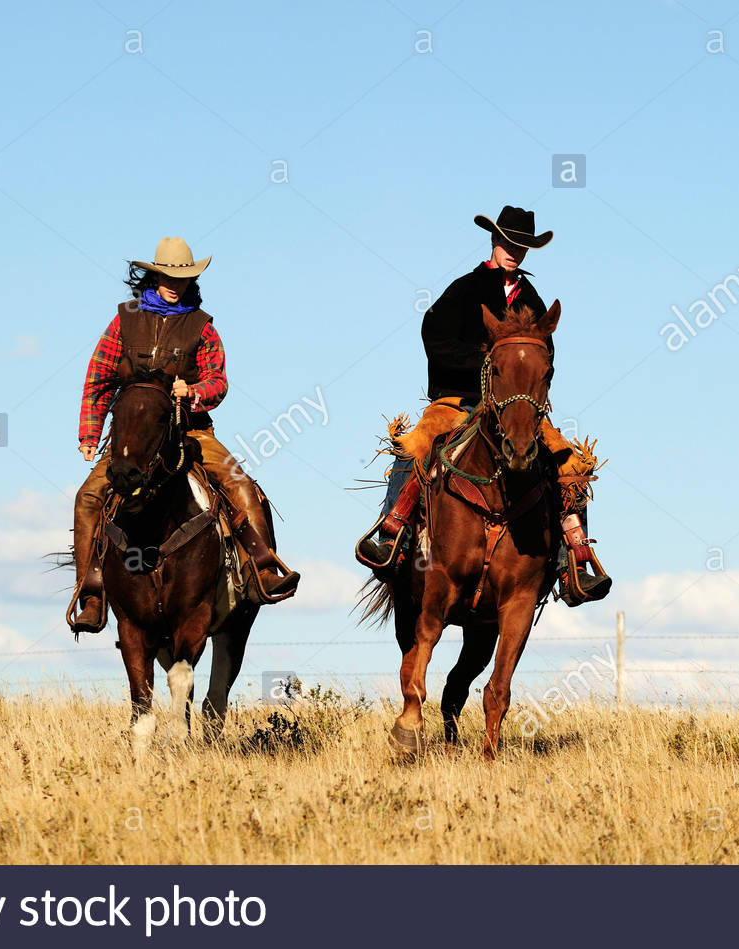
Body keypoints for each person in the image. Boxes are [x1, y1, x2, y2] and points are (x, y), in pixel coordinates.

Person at [354, 206, 610, 605]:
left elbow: (547, 357)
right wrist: (485, 365)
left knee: (569, 463)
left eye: (522, 245)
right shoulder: (465, 288)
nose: (515, 251)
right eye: (509, 242)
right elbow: (434, 337)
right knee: (415, 446)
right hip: (458, 400)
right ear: (494, 240)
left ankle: (573, 560)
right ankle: (392, 533)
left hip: (515, 408)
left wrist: (522, 388)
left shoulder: (534, 300)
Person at [70, 236, 299, 633]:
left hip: (191, 430)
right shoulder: (123, 319)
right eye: (168, 277)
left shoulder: (202, 327)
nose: (175, 284)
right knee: (88, 497)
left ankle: (262, 569)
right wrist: (91, 433)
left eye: (184, 278)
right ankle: (90, 593)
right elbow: (98, 380)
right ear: (154, 276)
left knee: (239, 483)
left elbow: (218, 383)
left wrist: (193, 393)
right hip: (134, 438)